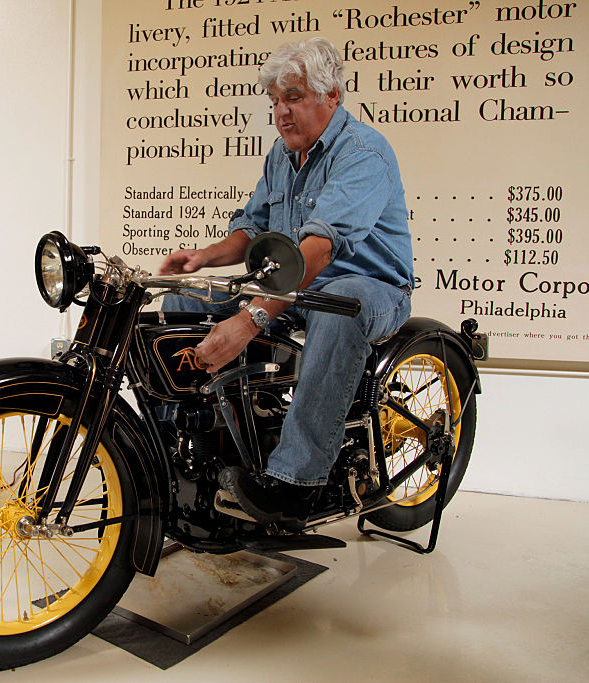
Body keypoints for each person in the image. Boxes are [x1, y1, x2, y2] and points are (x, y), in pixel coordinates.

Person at [158, 37, 414, 528]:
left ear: (332, 96)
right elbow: (253, 228)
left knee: (339, 305)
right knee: (181, 302)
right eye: (275, 101)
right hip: (295, 288)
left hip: (369, 287)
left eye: (293, 98)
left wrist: (251, 319)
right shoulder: (282, 155)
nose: (280, 112)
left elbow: (317, 251)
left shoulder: (364, 153)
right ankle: (195, 450)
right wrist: (203, 257)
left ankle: (297, 481)